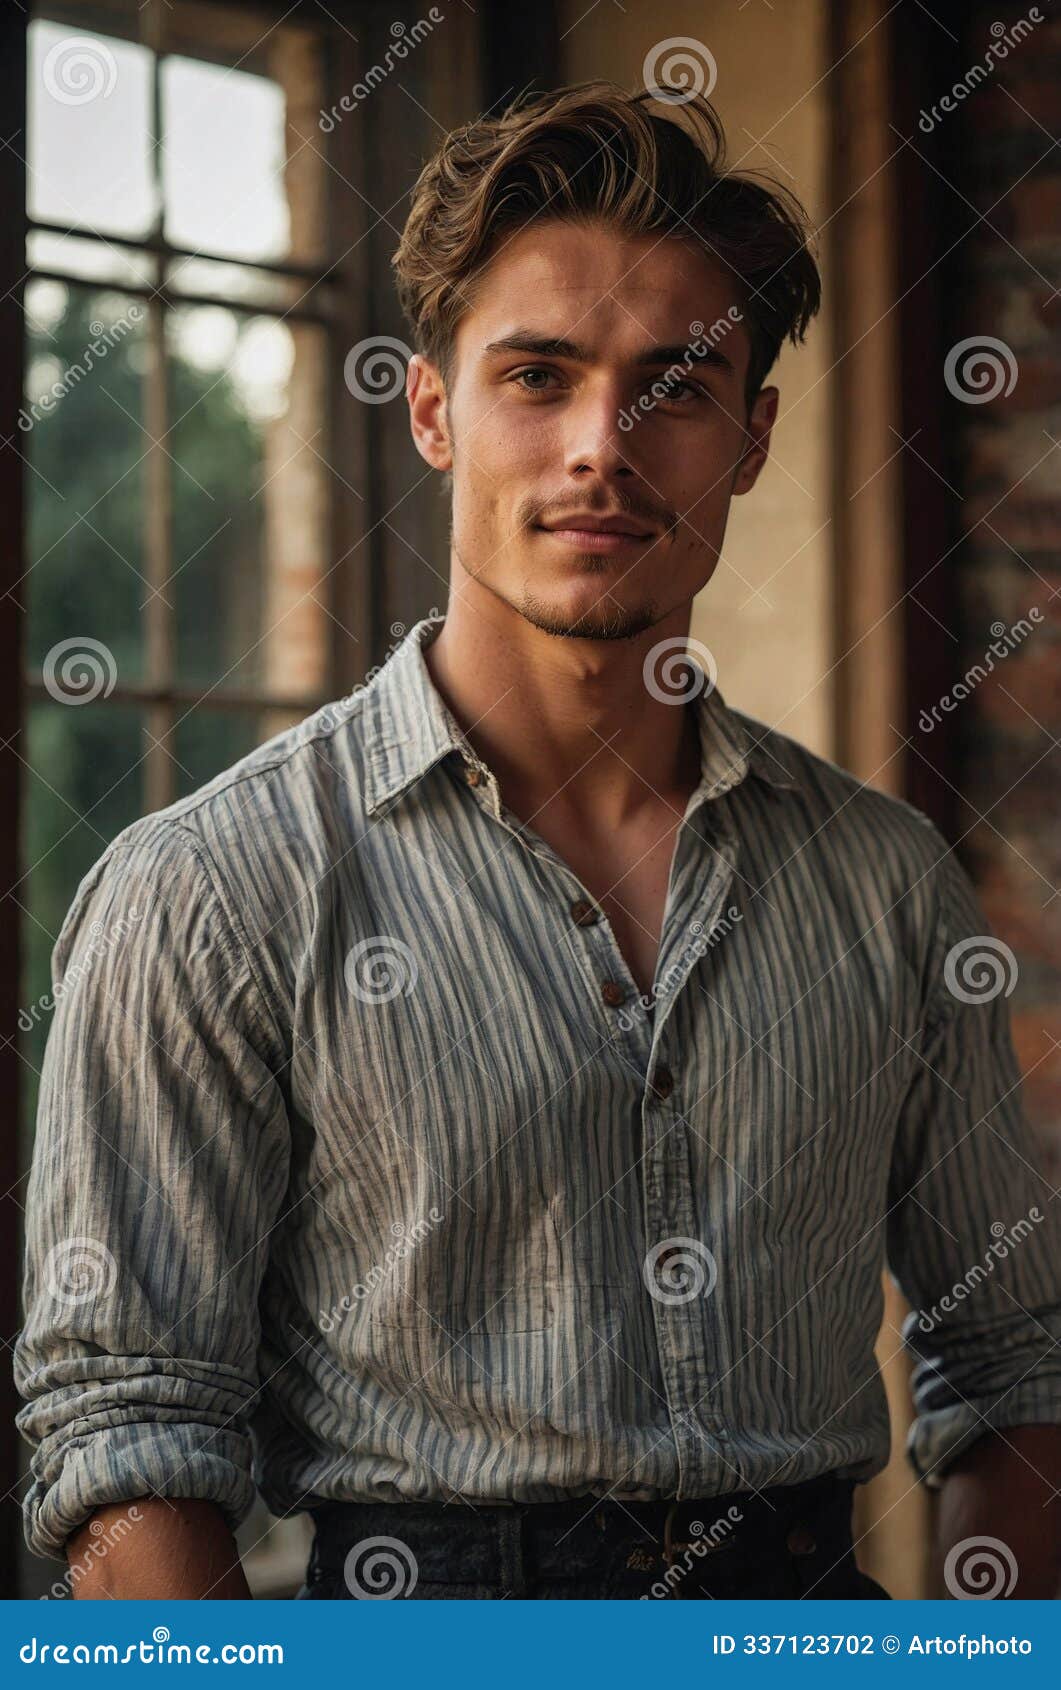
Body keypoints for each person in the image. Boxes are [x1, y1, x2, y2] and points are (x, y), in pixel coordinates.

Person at [14, 82, 1061, 1602]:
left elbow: (1015, 1357)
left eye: (676, 385)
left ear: (751, 437)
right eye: (537, 375)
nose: (601, 447)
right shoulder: (205, 892)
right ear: (433, 408)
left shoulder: (883, 882)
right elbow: (127, 1430)